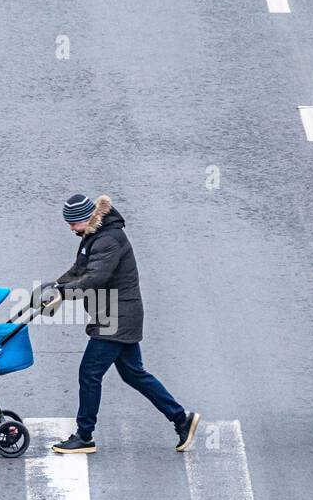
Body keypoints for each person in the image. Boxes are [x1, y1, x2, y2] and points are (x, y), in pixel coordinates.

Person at [48, 193, 200, 455]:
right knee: (133, 373)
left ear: (85, 218)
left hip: (116, 317)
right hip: (115, 314)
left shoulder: (108, 239)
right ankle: (181, 419)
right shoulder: (93, 235)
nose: (71, 229)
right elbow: (79, 269)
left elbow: (95, 278)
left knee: (89, 373)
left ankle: (84, 436)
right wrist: (54, 287)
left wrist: (63, 293)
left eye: (72, 223)